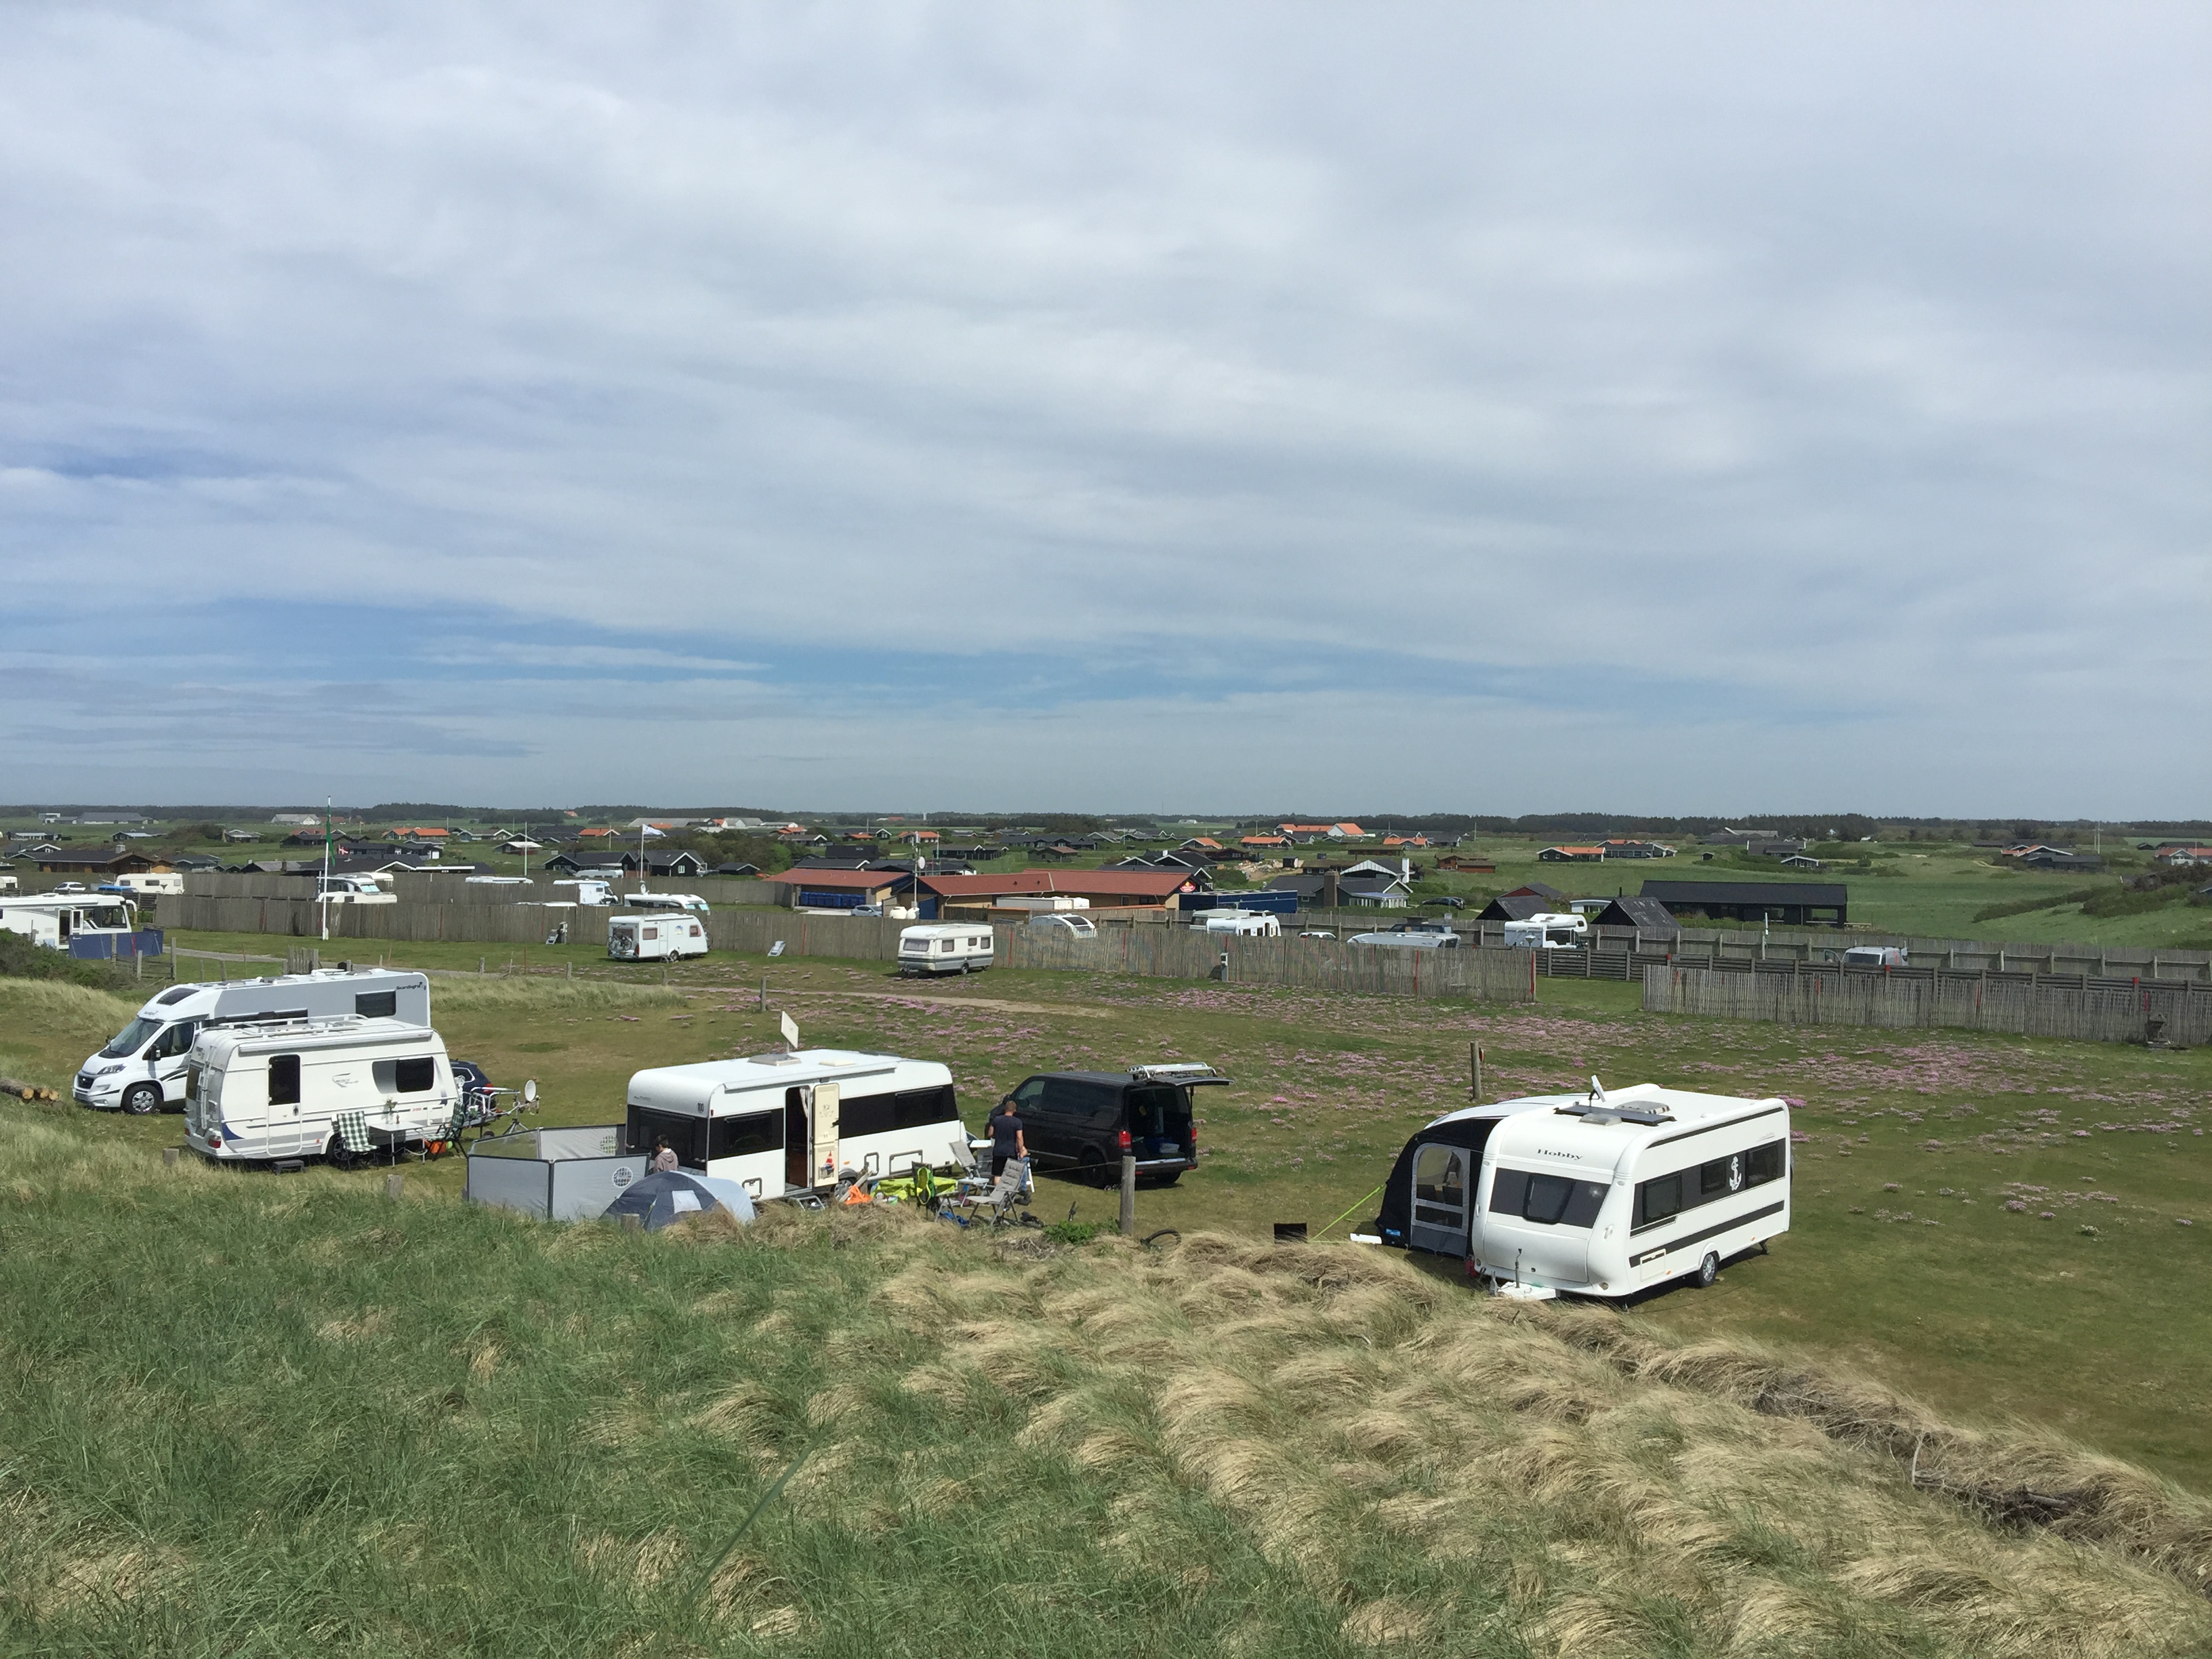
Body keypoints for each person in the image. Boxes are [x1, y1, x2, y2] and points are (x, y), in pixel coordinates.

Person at [985, 1097, 1026, 1179]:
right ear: (1015, 1110)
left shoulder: (997, 1120)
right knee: (1010, 1175)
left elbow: (990, 1133)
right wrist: (1021, 1152)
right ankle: (1008, 1191)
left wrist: (997, 1135)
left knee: (997, 1175)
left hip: (998, 1151)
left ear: (1005, 1109)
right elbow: (1019, 1137)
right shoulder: (1017, 1122)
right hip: (1011, 1152)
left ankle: (998, 1191)